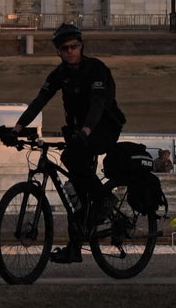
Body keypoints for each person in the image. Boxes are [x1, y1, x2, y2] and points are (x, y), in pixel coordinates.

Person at [14, 23, 126, 265]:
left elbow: (97, 104)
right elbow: (39, 100)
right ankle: (75, 247)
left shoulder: (96, 69)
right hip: (79, 132)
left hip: (103, 127)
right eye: (64, 49)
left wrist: (85, 130)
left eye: (74, 47)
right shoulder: (60, 74)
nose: (70, 52)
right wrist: (18, 128)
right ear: (58, 52)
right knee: (76, 190)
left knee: (70, 158)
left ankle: (106, 200)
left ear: (81, 45)